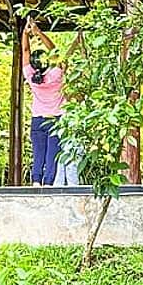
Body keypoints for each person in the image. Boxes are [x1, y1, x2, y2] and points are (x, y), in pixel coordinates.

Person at [22, 18, 69, 187]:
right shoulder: (56, 76)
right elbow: (56, 52)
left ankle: (36, 182)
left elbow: (25, 51)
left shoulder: (30, 76)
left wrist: (25, 33)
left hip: (37, 120)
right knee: (52, 156)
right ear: (47, 62)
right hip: (56, 119)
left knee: (38, 155)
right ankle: (48, 184)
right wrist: (39, 33)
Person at [53, 32, 85, 188]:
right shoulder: (64, 88)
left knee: (71, 163)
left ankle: (70, 188)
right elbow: (63, 62)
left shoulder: (80, 92)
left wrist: (80, 45)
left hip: (76, 129)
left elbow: (84, 66)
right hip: (65, 127)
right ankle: (60, 188)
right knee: (62, 161)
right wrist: (77, 42)